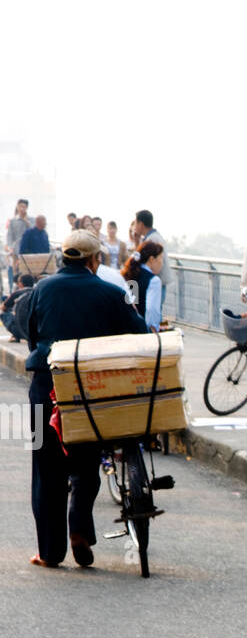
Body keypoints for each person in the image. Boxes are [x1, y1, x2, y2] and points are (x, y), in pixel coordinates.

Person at [25, 229, 147, 568]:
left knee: (43, 471)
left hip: (44, 388)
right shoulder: (112, 292)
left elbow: (31, 333)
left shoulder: (40, 289)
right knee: (87, 463)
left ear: (64, 257)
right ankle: (79, 528)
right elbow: (138, 333)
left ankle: (49, 552)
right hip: (91, 390)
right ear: (95, 260)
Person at [132, 209, 175, 307]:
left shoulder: (151, 240)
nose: (134, 227)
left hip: (156, 281)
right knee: (156, 311)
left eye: (135, 223)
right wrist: (136, 242)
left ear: (141, 224)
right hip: (159, 281)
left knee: (154, 312)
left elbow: (138, 260)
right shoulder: (154, 236)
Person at [121, 241, 164, 330]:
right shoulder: (154, 281)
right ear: (152, 259)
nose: (162, 263)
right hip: (142, 331)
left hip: (126, 327)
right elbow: (152, 311)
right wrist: (153, 330)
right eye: (161, 258)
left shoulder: (129, 274)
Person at [6, 199, 33, 290]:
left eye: (24, 207)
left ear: (27, 208)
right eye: (20, 206)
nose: (22, 209)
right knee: (16, 272)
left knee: (28, 271)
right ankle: (16, 290)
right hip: (16, 251)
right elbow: (10, 235)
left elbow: (33, 232)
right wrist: (10, 247)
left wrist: (26, 221)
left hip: (29, 251)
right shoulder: (13, 221)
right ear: (17, 207)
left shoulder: (31, 220)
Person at [1, 273, 35, 340]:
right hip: (35, 329)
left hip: (20, 329)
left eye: (18, 282)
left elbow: (3, 307)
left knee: (3, 313)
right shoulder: (36, 292)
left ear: (21, 283)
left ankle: (15, 335)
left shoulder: (17, 293)